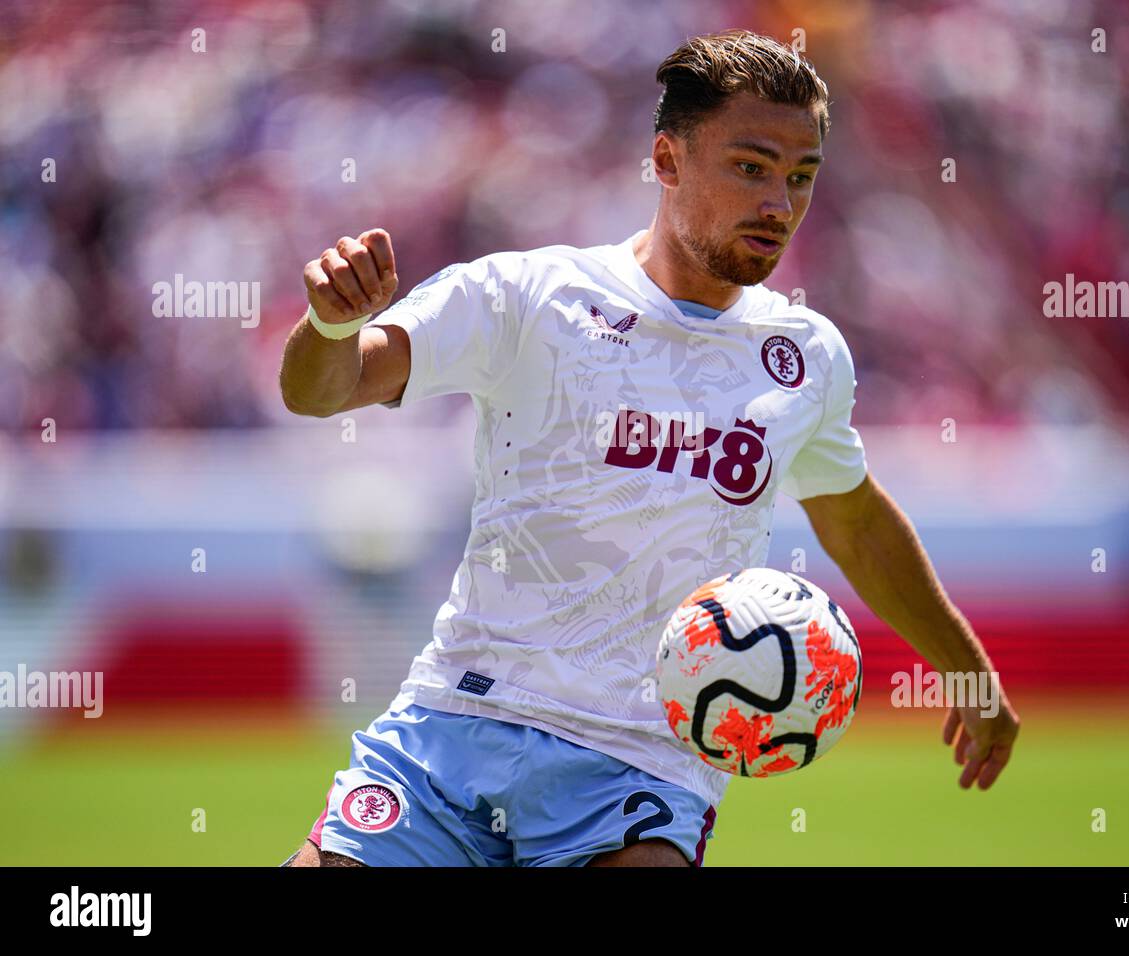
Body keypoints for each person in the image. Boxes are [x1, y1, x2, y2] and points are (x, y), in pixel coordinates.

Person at [277, 29, 1019, 867]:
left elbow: (856, 521)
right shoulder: (531, 297)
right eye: (751, 167)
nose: (780, 202)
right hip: (454, 727)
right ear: (667, 161)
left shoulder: (806, 357)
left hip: (641, 769)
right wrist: (333, 323)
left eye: (800, 176)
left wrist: (966, 669)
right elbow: (321, 390)